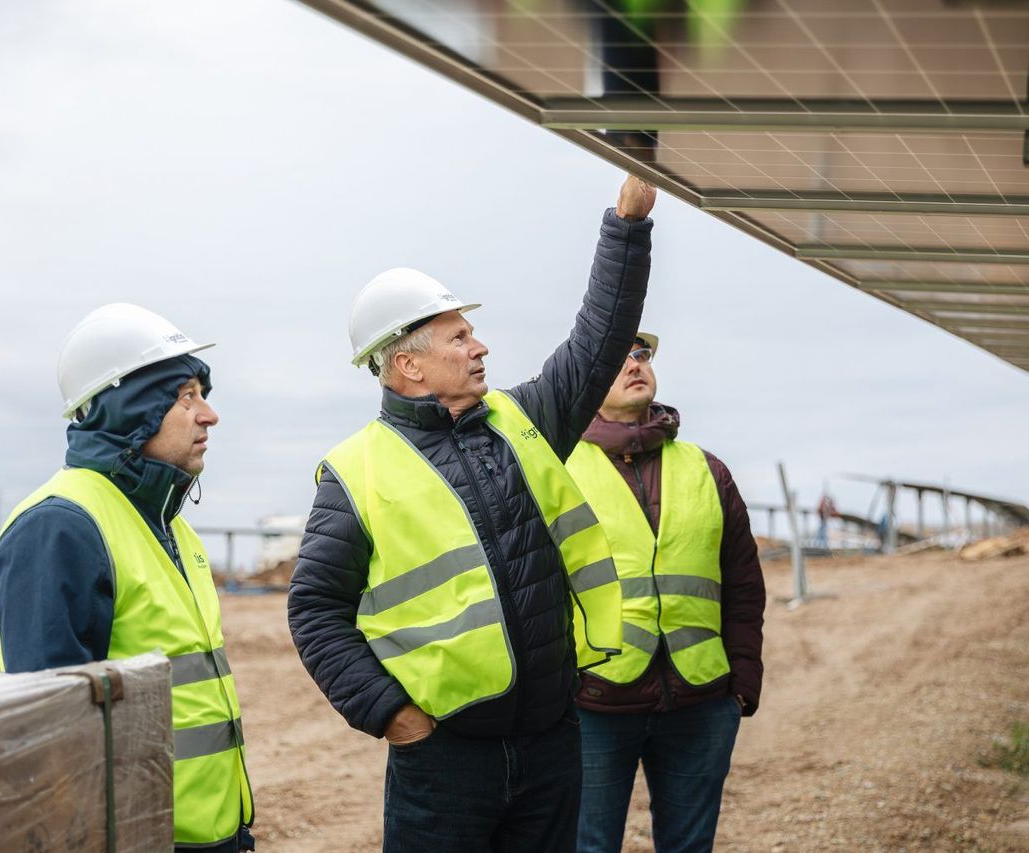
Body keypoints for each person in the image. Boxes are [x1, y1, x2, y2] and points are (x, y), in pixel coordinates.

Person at [288, 175, 657, 853]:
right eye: (459, 337)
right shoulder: (356, 472)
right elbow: (314, 608)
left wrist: (627, 226)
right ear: (410, 366)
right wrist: (390, 714)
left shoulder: (524, 420)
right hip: (445, 757)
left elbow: (599, 340)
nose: (479, 346)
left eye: (473, 333)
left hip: (550, 741)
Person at [0, 304, 255, 853]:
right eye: (186, 397)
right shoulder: (60, 528)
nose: (210, 415)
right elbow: (52, 742)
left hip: (213, 832)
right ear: (129, 410)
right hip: (137, 837)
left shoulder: (169, 524)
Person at [565, 332, 766, 853]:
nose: (635, 364)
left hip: (701, 700)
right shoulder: (558, 471)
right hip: (594, 704)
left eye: (642, 354)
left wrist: (741, 683)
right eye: (619, 356)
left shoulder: (707, 470)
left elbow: (743, 585)